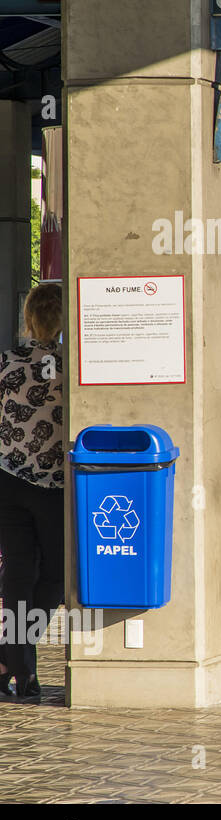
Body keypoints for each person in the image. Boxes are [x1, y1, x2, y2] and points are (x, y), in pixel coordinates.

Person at [0, 285, 65, 701]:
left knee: (18, 575)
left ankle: (15, 665)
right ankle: (15, 655)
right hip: (54, 485)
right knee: (56, 577)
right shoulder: (70, 368)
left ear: (29, 320)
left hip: (7, 479)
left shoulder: (6, 364)